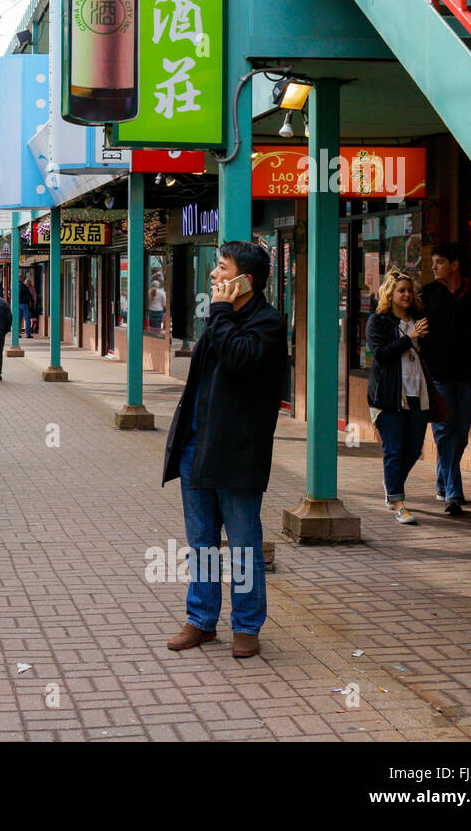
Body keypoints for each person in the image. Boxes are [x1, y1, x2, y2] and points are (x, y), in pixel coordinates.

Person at [161, 242, 287, 660]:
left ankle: (247, 625)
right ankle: (201, 621)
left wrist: (219, 313)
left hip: (236, 453)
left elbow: (238, 359)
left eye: (221, 267)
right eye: (215, 266)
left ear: (244, 280)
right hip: (196, 449)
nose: (214, 274)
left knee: (244, 544)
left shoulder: (267, 323)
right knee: (201, 544)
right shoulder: (221, 319)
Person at [419, 243, 471, 517]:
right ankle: (453, 494)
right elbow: (418, 331)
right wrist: (426, 362)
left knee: (461, 433)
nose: (433, 267)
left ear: (454, 265)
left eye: (439, 262)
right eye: (433, 262)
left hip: (465, 376)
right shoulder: (427, 294)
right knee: (444, 431)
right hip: (438, 376)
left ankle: (442, 481)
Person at [367, 271, 448, 525]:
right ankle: (398, 502)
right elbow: (380, 354)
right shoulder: (378, 322)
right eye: (401, 290)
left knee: (413, 449)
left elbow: (432, 354)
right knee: (394, 449)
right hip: (389, 397)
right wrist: (410, 337)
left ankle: (392, 483)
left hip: (418, 395)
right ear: (390, 294)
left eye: (409, 290)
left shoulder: (419, 320)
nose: (407, 294)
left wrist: (425, 338)